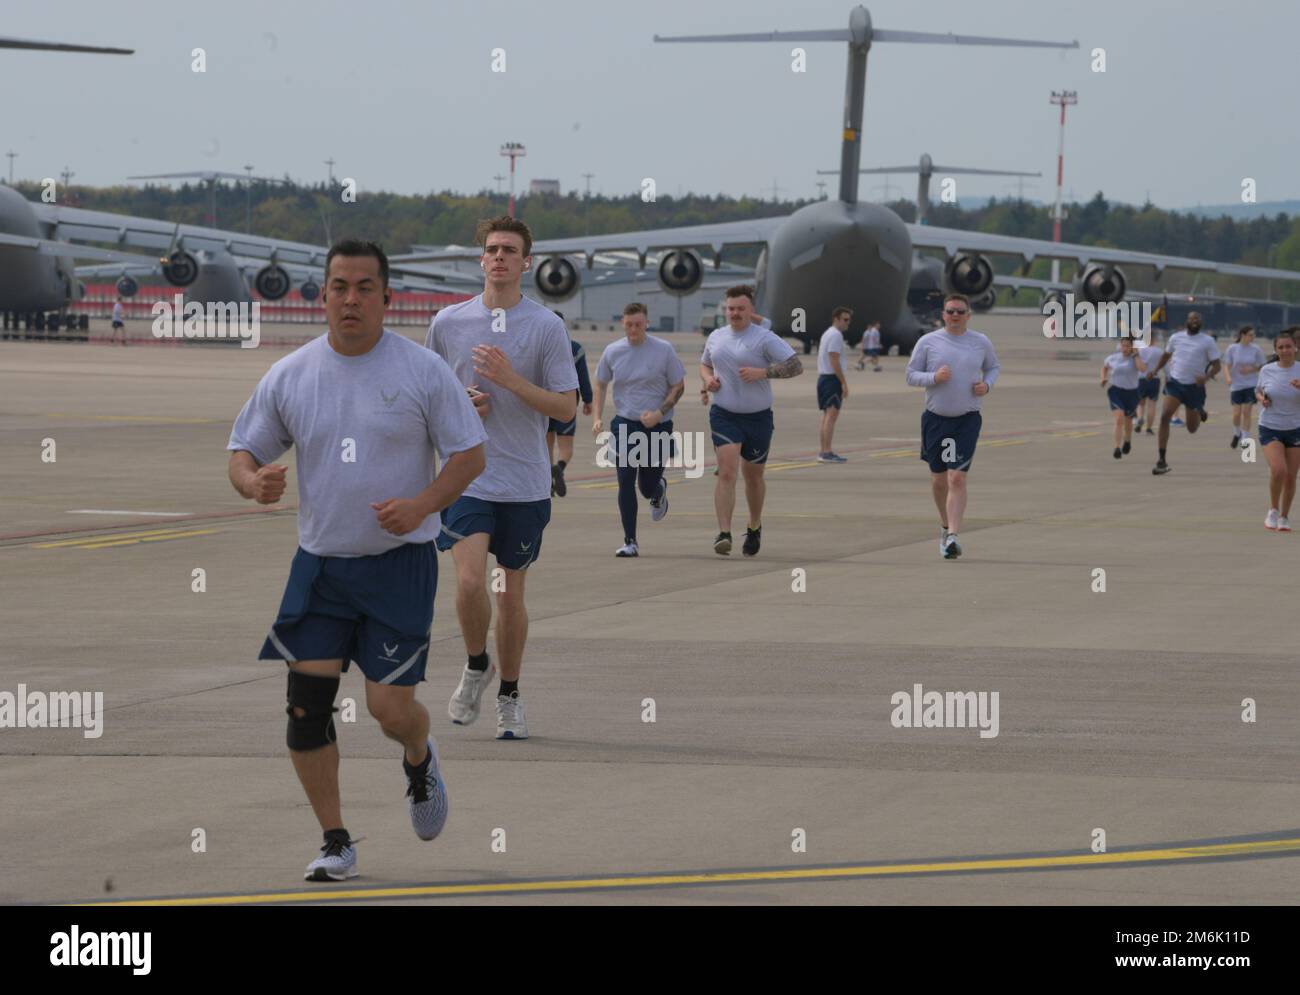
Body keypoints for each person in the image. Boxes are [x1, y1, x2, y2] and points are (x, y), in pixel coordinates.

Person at [226, 239, 488, 881]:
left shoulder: (422, 372)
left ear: (386, 297)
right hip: (321, 568)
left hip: (399, 564)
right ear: (323, 294)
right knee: (304, 706)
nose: (351, 298)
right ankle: (336, 840)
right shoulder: (291, 374)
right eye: (339, 286)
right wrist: (250, 482)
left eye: (364, 287)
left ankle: (420, 758)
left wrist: (423, 503)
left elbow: (469, 455)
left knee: (389, 712)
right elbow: (242, 451)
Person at [425, 216, 578, 741]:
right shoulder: (448, 324)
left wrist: (511, 381)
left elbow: (564, 406)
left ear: (526, 262)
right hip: (468, 477)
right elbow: (429, 399)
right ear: (480, 259)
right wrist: (462, 406)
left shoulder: (546, 327)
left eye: (509, 251)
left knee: (510, 596)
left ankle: (509, 694)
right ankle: (475, 664)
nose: (499, 258)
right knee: (470, 581)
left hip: (525, 481)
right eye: (491, 249)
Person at [700, 284, 803, 556]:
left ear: (751, 310)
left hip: (757, 418)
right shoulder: (716, 337)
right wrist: (707, 380)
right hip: (724, 414)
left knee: (753, 476)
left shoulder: (764, 338)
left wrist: (763, 372)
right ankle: (724, 533)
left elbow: (795, 365)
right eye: (730, 308)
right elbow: (705, 363)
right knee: (727, 471)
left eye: (740, 308)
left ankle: (754, 525)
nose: (734, 313)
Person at [905, 292, 1001, 559]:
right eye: (950, 311)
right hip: (936, 419)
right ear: (943, 315)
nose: (955, 316)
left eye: (960, 311)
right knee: (939, 480)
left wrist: (987, 385)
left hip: (967, 419)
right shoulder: (928, 342)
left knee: (956, 477)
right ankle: (945, 527)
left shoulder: (980, 342)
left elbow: (993, 367)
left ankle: (954, 537)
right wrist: (934, 377)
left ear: (969, 315)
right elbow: (910, 375)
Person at [592, 302, 687, 556]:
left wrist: (660, 413)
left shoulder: (663, 350)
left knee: (646, 487)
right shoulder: (613, 351)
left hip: (658, 425)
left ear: (647, 323)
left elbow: (678, 385)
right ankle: (630, 541)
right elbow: (600, 383)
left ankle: (658, 490)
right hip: (625, 423)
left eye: (638, 324)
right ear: (622, 323)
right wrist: (597, 417)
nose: (634, 329)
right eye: (629, 324)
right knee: (625, 480)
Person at [1147, 312, 1220, 475]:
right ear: (1187, 321)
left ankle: (1199, 410)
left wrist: (1206, 377)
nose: (1195, 321)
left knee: (1192, 428)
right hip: (1176, 384)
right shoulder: (1175, 338)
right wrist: (1154, 370)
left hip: (1195, 387)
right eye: (1192, 319)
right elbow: (1166, 357)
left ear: (1201, 323)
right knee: (1165, 416)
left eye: (1198, 319)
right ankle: (1161, 460)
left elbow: (1217, 366)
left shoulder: (1207, 341)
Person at [1256, 328, 1300, 532]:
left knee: (1291, 476)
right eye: (1281, 347)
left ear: (1295, 348)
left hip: (1295, 428)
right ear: (1276, 349)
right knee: (1279, 470)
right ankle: (1273, 509)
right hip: (1270, 425)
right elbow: (1258, 390)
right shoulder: (1267, 370)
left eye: (1288, 346)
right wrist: (1262, 399)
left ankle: (1284, 516)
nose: (1285, 350)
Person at [546, 310, 593, 497]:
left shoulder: (539, 347)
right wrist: (588, 400)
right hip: (567, 402)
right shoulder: (575, 348)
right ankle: (560, 466)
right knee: (566, 447)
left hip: (545, 402)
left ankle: (547, 479)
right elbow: (583, 377)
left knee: (546, 445)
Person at [1100, 337, 1146, 459]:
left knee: (1128, 421)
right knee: (1119, 418)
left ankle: (1128, 440)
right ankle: (1116, 447)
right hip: (1116, 391)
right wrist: (1103, 378)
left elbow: (1143, 369)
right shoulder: (1114, 357)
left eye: (1127, 346)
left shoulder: (1135, 359)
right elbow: (1105, 367)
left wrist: (1136, 354)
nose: (1125, 348)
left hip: (1131, 393)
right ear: (1120, 346)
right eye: (1123, 345)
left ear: (1132, 347)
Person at [816, 307, 851, 462]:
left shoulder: (828, 333)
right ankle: (826, 452)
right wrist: (843, 382)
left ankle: (824, 450)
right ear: (836, 318)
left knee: (826, 417)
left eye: (848, 320)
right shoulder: (836, 335)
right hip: (831, 379)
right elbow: (834, 359)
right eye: (845, 319)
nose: (847, 323)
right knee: (831, 416)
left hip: (824, 378)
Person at [1223, 325, 1266, 449]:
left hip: (1251, 384)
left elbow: (1262, 365)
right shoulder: (1232, 348)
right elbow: (1227, 365)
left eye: (1254, 335)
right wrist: (1228, 377)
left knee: (1247, 412)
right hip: (1236, 385)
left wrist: (1251, 369)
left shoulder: (1256, 349)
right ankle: (1237, 433)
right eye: (1251, 335)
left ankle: (1245, 439)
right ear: (1243, 335)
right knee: (1236, 414)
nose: (1253, 337)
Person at [1134, 333, 1163, 435]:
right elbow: (1165, 366)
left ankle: (1140, 418)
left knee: (1140, 404)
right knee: (1152, 404)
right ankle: (1149, 428)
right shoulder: (1159, 351)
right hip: (1154, 379)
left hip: (1141, 378)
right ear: (1153, 339)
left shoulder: (1140, 350)